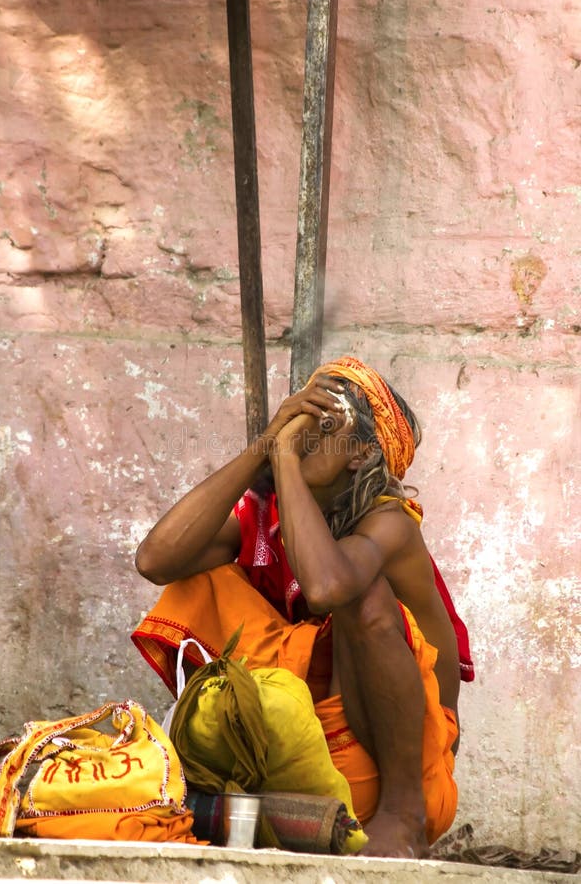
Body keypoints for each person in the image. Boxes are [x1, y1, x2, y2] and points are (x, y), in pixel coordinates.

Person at [132, 355, 474, 858]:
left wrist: (287, 461)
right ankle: (233, 780)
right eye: (300, 413)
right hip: (302, 761)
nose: (304, 431)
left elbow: (327, 587)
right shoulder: (263, 518)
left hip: (394, 780)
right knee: (201, 578)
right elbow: (155, 560)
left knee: (363, 594)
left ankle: (404, 822)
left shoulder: (392, 524)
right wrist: (263, 448)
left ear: (361, 453)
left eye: (325, 422)